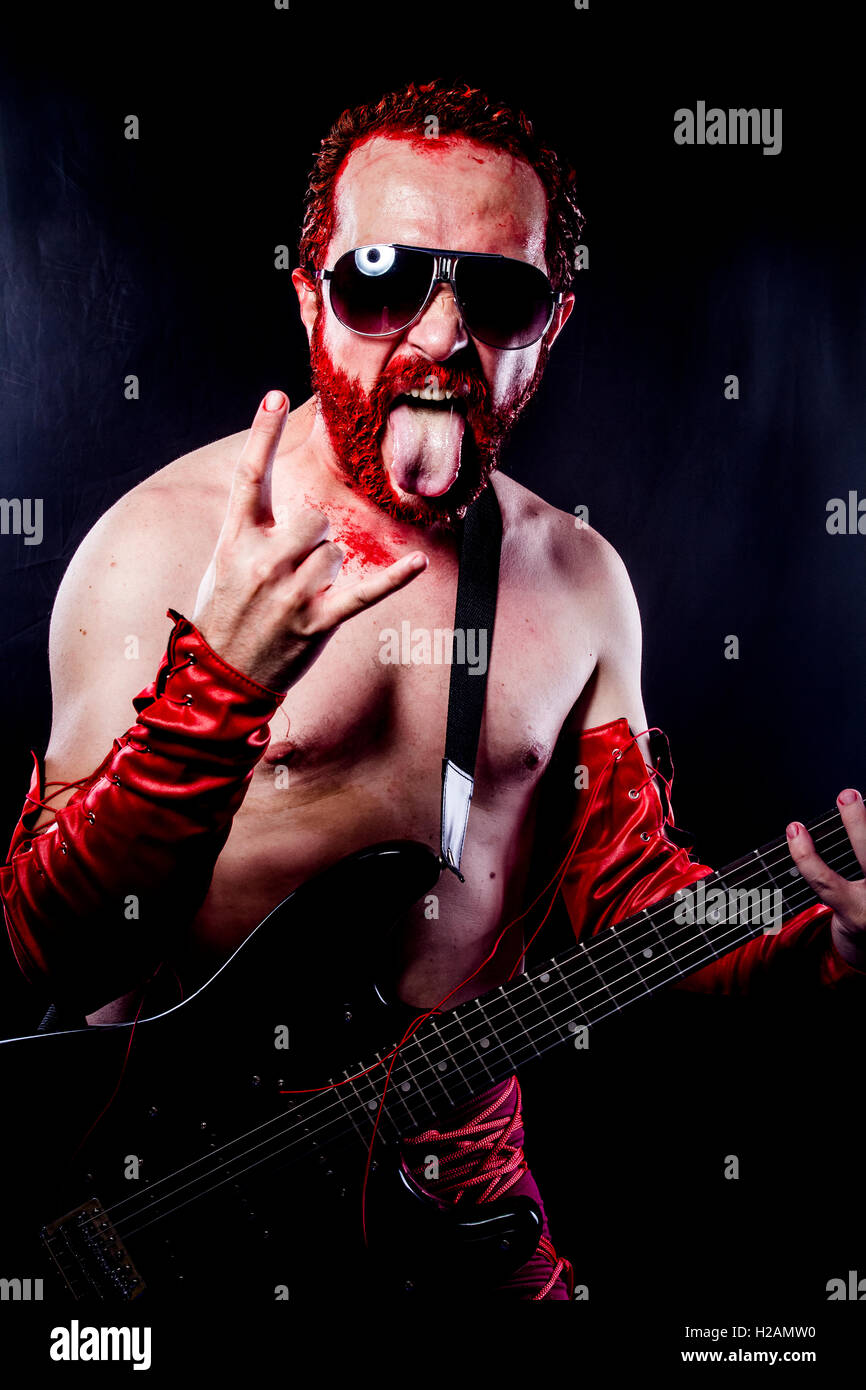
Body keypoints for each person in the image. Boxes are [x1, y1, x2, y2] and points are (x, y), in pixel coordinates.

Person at [3, 79, 865, 1302]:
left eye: (494, 293)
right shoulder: (152, 549)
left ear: (547, 326)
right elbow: (47, 949)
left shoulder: (576, 582)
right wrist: (220, 685)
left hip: (449, 1197)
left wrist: (816, 941)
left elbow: (633, 913)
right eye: (378, 274)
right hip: (169, 1205)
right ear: (309, 297)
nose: (438, 335)